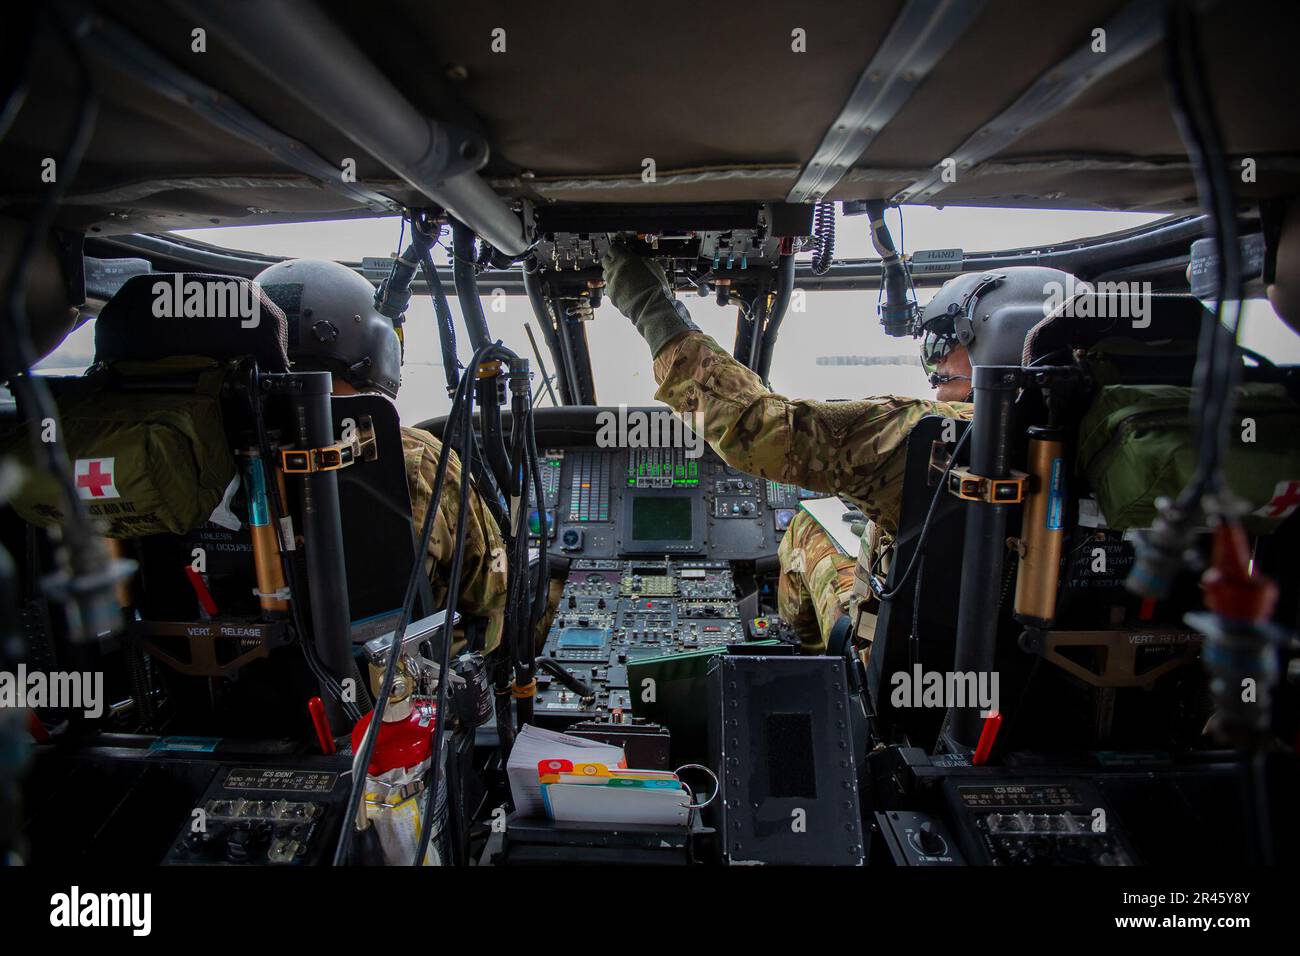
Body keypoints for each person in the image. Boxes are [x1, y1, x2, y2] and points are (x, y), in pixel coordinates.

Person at [602, 245, 1072, 653]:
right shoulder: (1083, 440)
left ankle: (820, 670)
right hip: (1027, 687)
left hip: (899, 667)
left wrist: (651, 306)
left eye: (944, 344)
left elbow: (762, 431)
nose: (933, 366)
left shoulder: (932, 433)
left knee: (806, 527)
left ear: (1001, 341)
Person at [255, 258, 508, 651]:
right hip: (391, 695)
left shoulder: (212, 456)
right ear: (375, 347)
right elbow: (489, 598)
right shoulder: (416, 458)